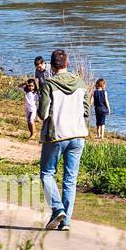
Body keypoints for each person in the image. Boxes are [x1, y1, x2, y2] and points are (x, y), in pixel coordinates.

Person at [37, 49, 90, 231]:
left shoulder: (49, 85)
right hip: (78, 135)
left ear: (51, 67)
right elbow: (86, 111)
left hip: (56, 135)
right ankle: (65, 221)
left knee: (46, 173)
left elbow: (42, 114)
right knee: (70, 179)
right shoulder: (81, 83)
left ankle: (58, 208)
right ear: (67, 64)